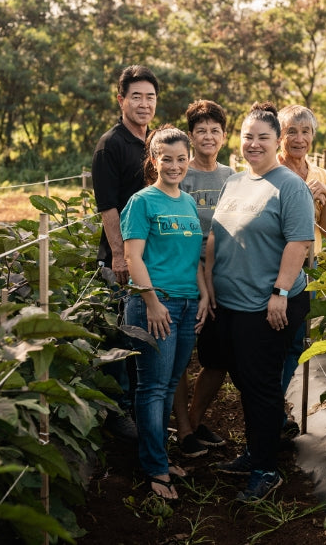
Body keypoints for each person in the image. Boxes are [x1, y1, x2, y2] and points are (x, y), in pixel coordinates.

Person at [206, 102, 315, 501]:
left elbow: (299, 242)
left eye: (262, 138)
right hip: (230, 303)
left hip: (267, 305)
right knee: (242, 379)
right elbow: (217, 235)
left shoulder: (289, 185)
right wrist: (210, 283)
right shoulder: (234, 182)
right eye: (248, 137)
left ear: (277, 141)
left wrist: (280, 293)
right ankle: (255, 451)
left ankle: (266, 470)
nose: (253, 144)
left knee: (262, 388)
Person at [121, 126, 208, 500]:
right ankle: (155, 468)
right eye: (166, 159)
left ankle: (159, 456)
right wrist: (152, 302)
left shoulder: (187, 203)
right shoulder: (142, 202)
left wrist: (204, 296)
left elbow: (195, 259)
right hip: (156, 305)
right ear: (153, 160)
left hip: (188, 304)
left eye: (180, 159)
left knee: (170, 385)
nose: (174, 166)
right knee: (153, 388)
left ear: (188, 160)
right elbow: (132, 257)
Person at [91, 64, 160, 440]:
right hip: (122, 261)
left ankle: (141, 409)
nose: (144, 104)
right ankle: (117, 416)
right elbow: (108, 207)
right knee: (121, 335)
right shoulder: (111, 145)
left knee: (144, 334)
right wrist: (119, 256)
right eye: (136, 96)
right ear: (121, 100)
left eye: (150, 97)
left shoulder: (152, 144)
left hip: (151, 258)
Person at [172, 100, 234, 458]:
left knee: (218, 357)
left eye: (215, 130)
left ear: (223, 136)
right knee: (181, 356)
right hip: (184, 274)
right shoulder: (182, 174)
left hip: (220, 275)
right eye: (201, 131)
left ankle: (194, 420)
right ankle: (182, 430)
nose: (208, 137)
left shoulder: (232, 177)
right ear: (191, 136)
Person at [276, 105, 326, 436]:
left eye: (306, 132)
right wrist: (302, 196)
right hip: (277, 268)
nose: (299, 139)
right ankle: (272, 411)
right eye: (291, 132)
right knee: (274, 341)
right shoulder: (270, 170)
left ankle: (274, 408)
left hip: (310, 269)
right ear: (280, 137)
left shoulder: (322, 176)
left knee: (295, 344)